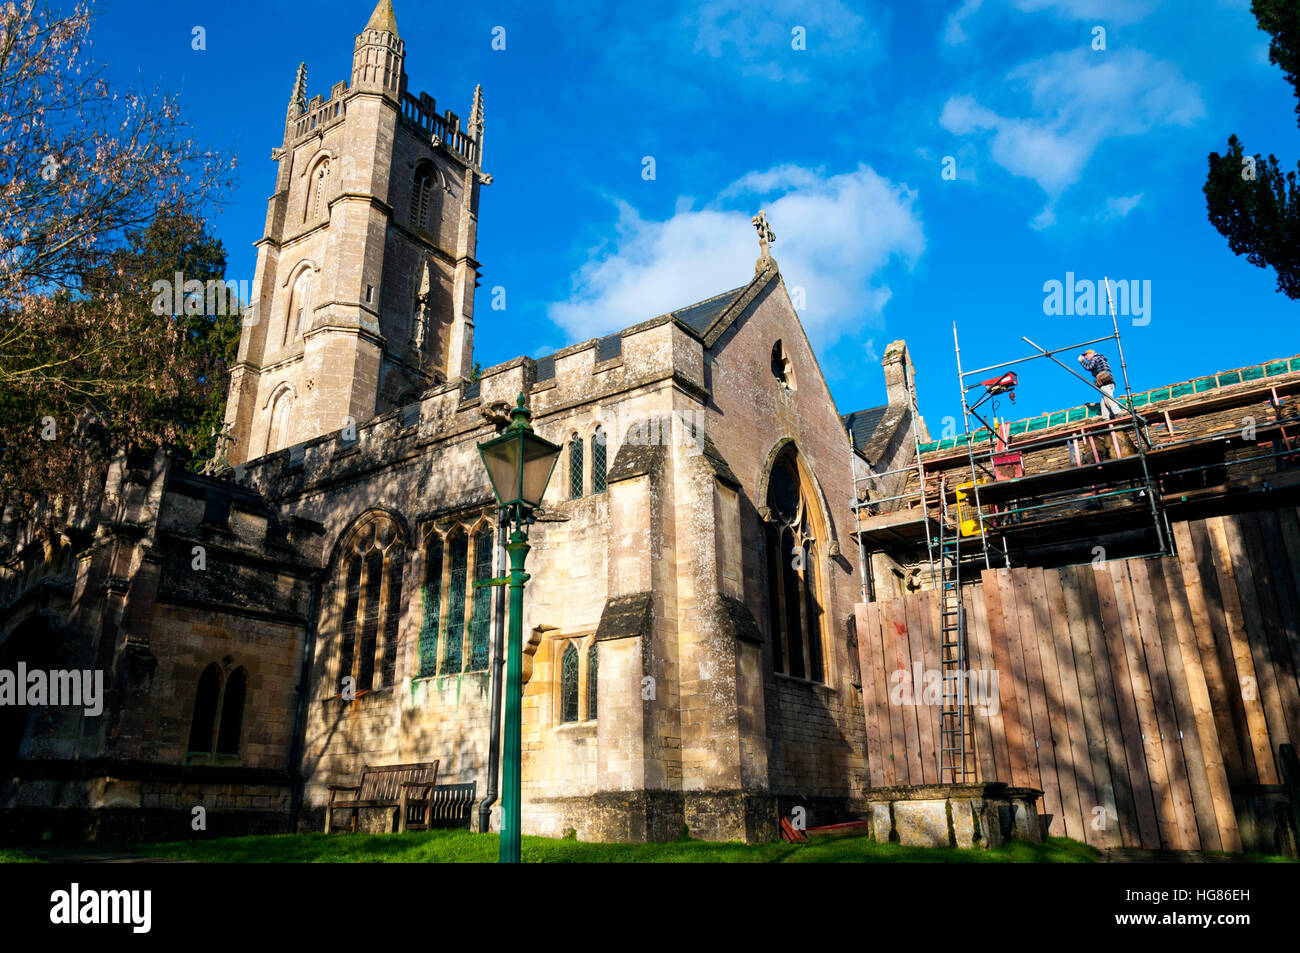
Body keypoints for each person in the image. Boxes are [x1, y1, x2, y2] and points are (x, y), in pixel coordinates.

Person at [1078, 349, 1124, 419]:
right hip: (1107, 381)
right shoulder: (1099, 358)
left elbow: (1089, 367)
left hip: (1105, 381)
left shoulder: (1095, 357)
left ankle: (1117, 413)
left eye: (1086, 355)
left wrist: (1082, 361)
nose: (1086, 358)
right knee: (1103, 402)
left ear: (1091, 354)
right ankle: (1106, 417)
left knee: (1108, 398)